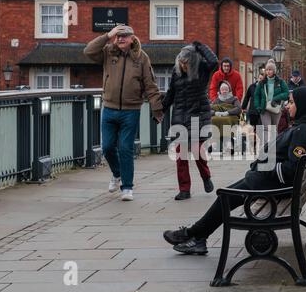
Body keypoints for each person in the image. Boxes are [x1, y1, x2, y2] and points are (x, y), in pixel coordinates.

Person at [163, 87, 306, 254]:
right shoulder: (305, 127)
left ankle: (193, 235)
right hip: (266, 182)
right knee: (226, 195)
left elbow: (291, 170)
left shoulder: (303, 131)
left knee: (225, 197)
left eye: (292, 103)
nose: (287, 106)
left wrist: (264, 167)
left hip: (272, 186)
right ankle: (196, 236)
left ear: (305, 106)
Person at [83, 25, 163, 201]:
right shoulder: (108, 53)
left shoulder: (141, 58)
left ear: (132, 38)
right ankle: (117, 173)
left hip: (130, 110)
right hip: (109, 108)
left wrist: (157, 109)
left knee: (126, 148)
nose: (120, 39)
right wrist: (107, 35)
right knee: (107, 147)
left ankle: (127, 187)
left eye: (124, 36)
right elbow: (88, 51)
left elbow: (150, 85)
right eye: (118, 36)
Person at [162, 41, 218, 201]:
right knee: (181, 154)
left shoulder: (202, 70)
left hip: (198, 115)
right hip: (181, 115)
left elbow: (214, 62)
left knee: (197, 150)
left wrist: (200, 46)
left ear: (193, 61)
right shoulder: (176, 72)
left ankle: (206, 177)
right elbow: (171, 93)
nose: (182, 64)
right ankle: (184, 189)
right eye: (181, 61)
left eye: (186, 62)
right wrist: (160, 111)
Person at [254, 59, 289, 142]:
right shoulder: (262, 83)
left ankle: (274, 148)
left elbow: (286, 93)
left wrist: (276, 98)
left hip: (275, 107)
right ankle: (267, 148)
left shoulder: (280, 82)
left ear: (274, 71)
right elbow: (256, 95)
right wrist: (257, 106)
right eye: (267, 70)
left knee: (273, 128)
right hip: (264, 108)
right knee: (267, 128)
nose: (268, 71)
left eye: (270, 70)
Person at [210, 81, 242, 154]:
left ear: (229, 90)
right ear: (220, 91)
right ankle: (215, 141)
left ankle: (228, 142)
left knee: (226, 119)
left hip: (231, 116)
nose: (224, 91)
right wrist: (215, 112)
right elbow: (209, 110)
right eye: (222, 89)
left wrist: (227, 112)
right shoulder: (216, 100)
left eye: (226, 89)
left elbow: (238, 108)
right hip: (218, 116)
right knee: (213, 119)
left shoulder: (234, 99)